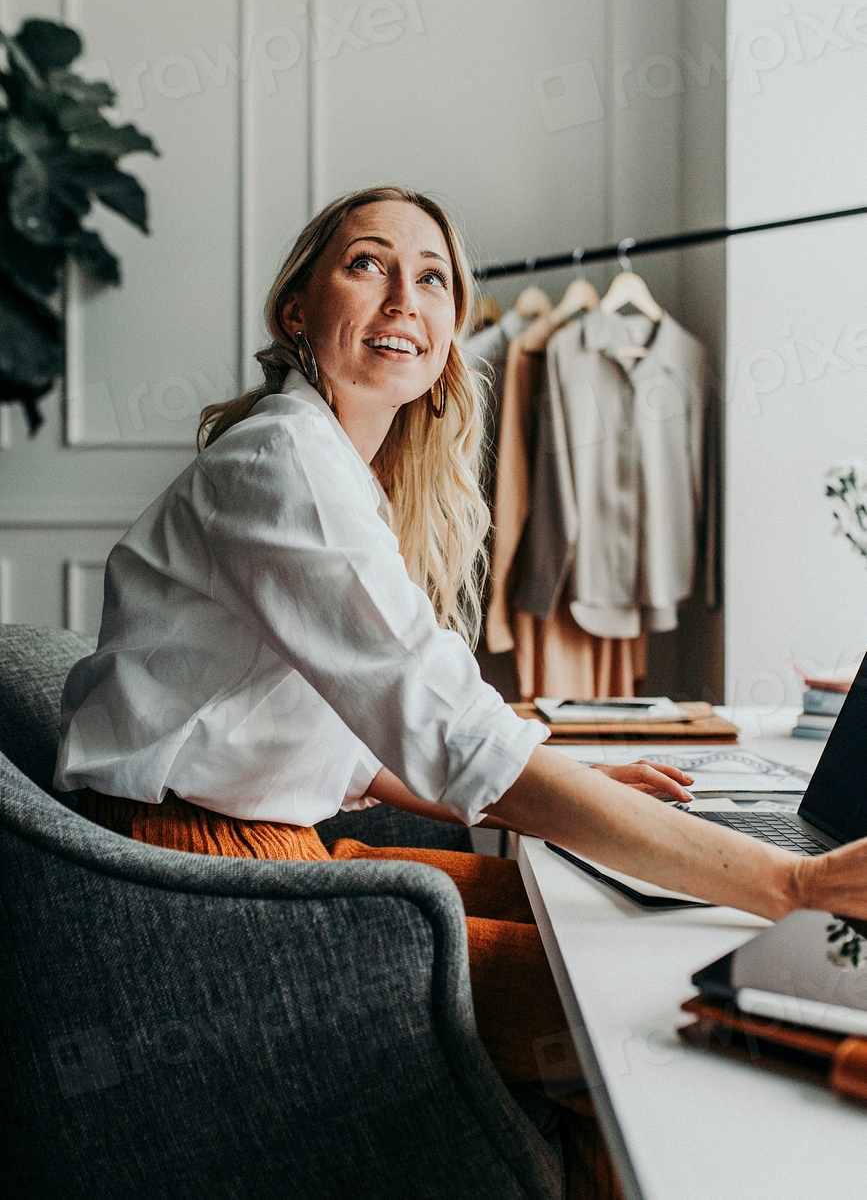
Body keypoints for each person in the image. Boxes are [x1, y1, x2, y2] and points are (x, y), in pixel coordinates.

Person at [56, 185, 867, 1197]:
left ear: (452, 325)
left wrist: (575, 796)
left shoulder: (327, 463)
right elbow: (448, 729)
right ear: (296, 310)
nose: (405, 296)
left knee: (633, 922)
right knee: (645, 1005)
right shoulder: (286, 462)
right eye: (368, 263)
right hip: (198, 889)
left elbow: (348, 740)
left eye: (431, 277)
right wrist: (789, 883)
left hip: (250, 847)